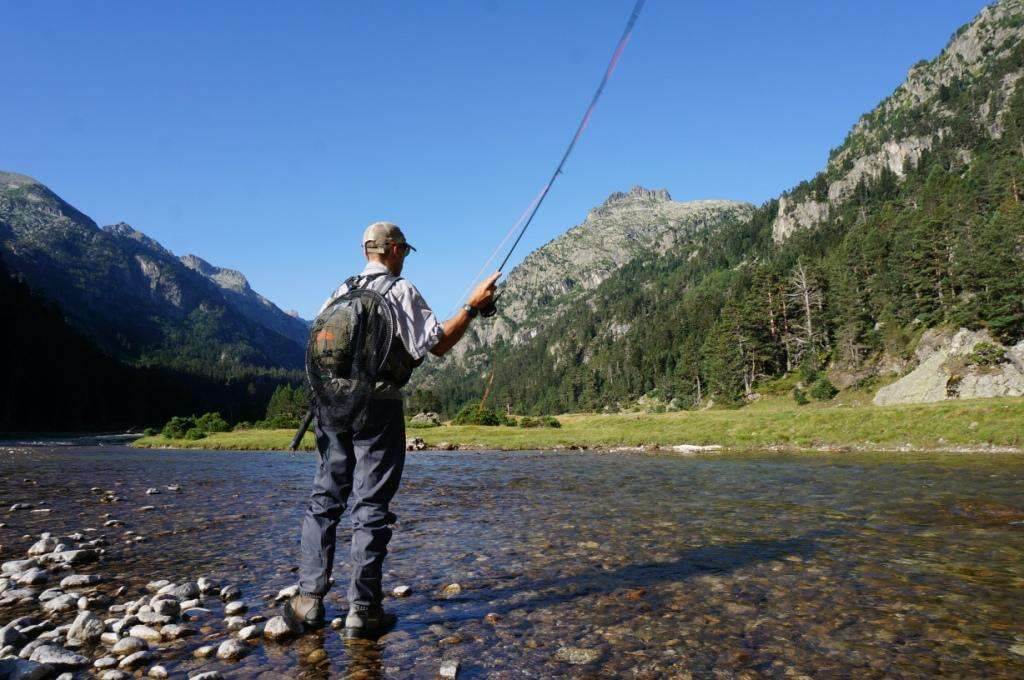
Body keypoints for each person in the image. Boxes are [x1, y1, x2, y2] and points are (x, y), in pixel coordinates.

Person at [285, 221, 500, 639]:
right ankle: (363, 611)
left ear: (366, 251)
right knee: (370, 504)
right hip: (377, 407)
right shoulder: (401, 290)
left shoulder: (339, 292)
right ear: (395, 249)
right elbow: (438, 344)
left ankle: (308, 600)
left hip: (331, 406)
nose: (405, 259)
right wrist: (473, 307)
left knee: (324, 500)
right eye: (405, 251)